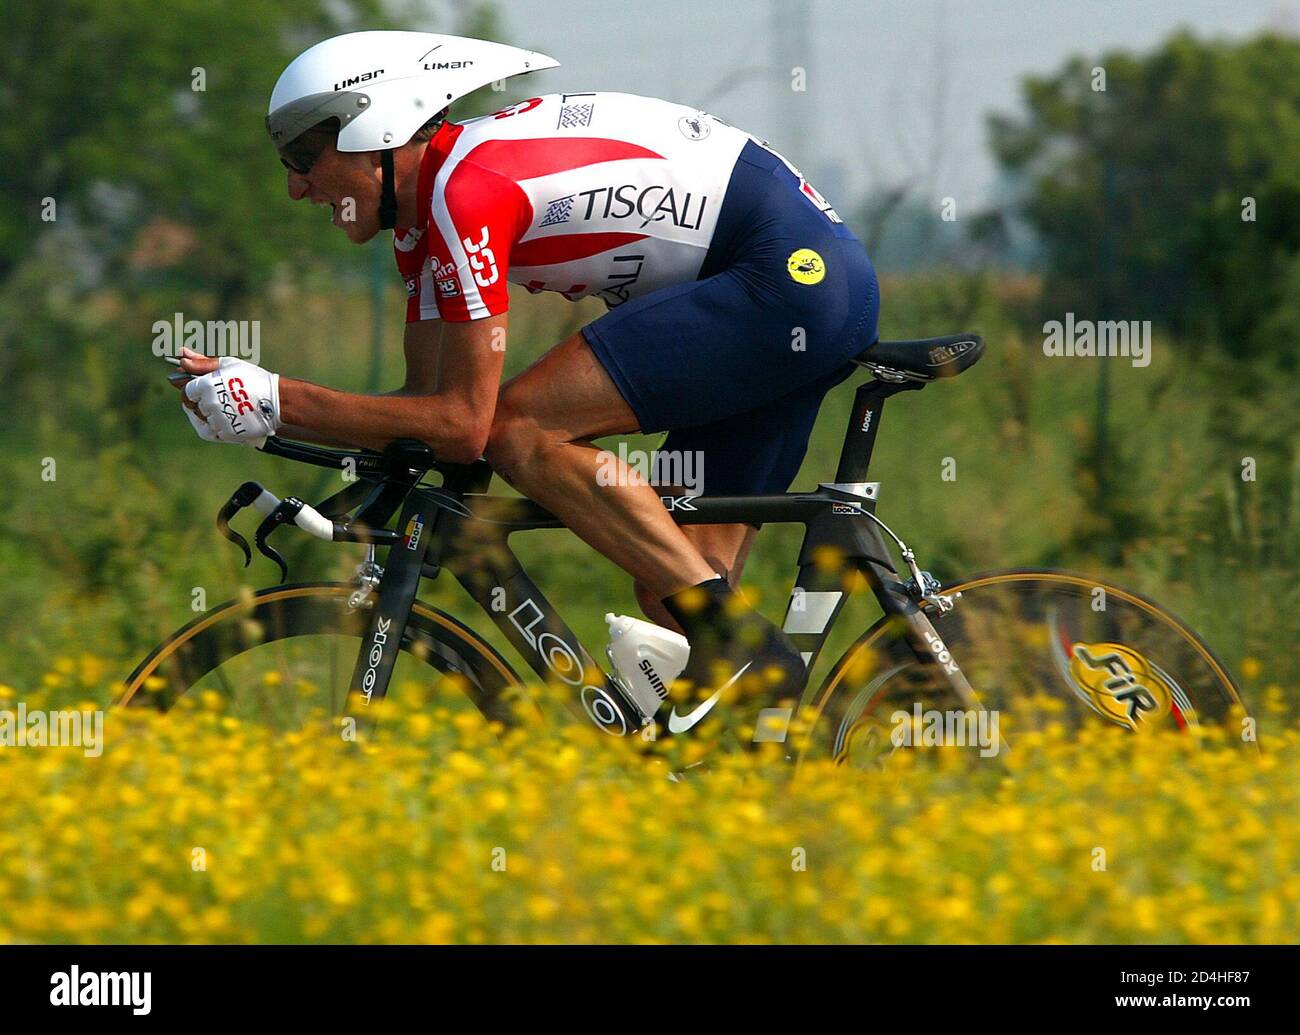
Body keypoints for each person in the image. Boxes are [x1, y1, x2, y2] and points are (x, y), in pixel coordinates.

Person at [176, 30, 880, 742]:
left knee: (522, 430)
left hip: (787, 280)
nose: (296, 185)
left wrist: (278, 398)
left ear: (373, 128)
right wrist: (273, 418)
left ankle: (739, 648)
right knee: (672, 588)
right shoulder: (420, 227)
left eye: (304, 156)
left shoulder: (463, 191)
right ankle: (754, 779)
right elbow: (421, 414)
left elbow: (465, 424)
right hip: (789, 288)